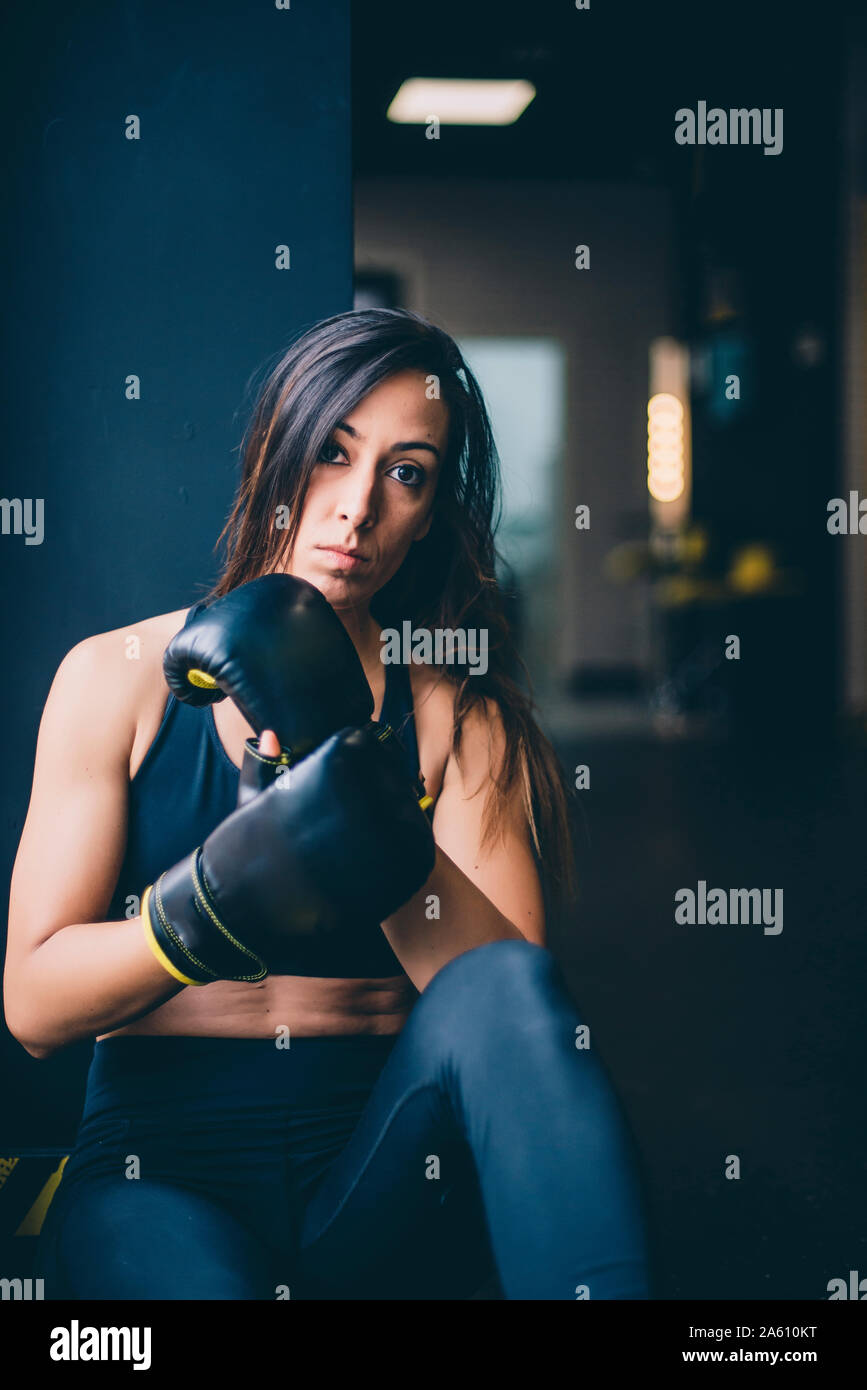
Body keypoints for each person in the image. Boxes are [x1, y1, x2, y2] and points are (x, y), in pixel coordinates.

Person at [5, 307, 650, 1300]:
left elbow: (509, 1019)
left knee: (509, 989)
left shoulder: (457, 722)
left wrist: (363, 806)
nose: (356, 508)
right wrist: (205, 910)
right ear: (275, 451)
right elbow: (34, 1007)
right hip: (161, 1172)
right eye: (332, 454)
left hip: (379, 1173)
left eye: (406, 473)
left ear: (430, 510)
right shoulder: (114, 679)